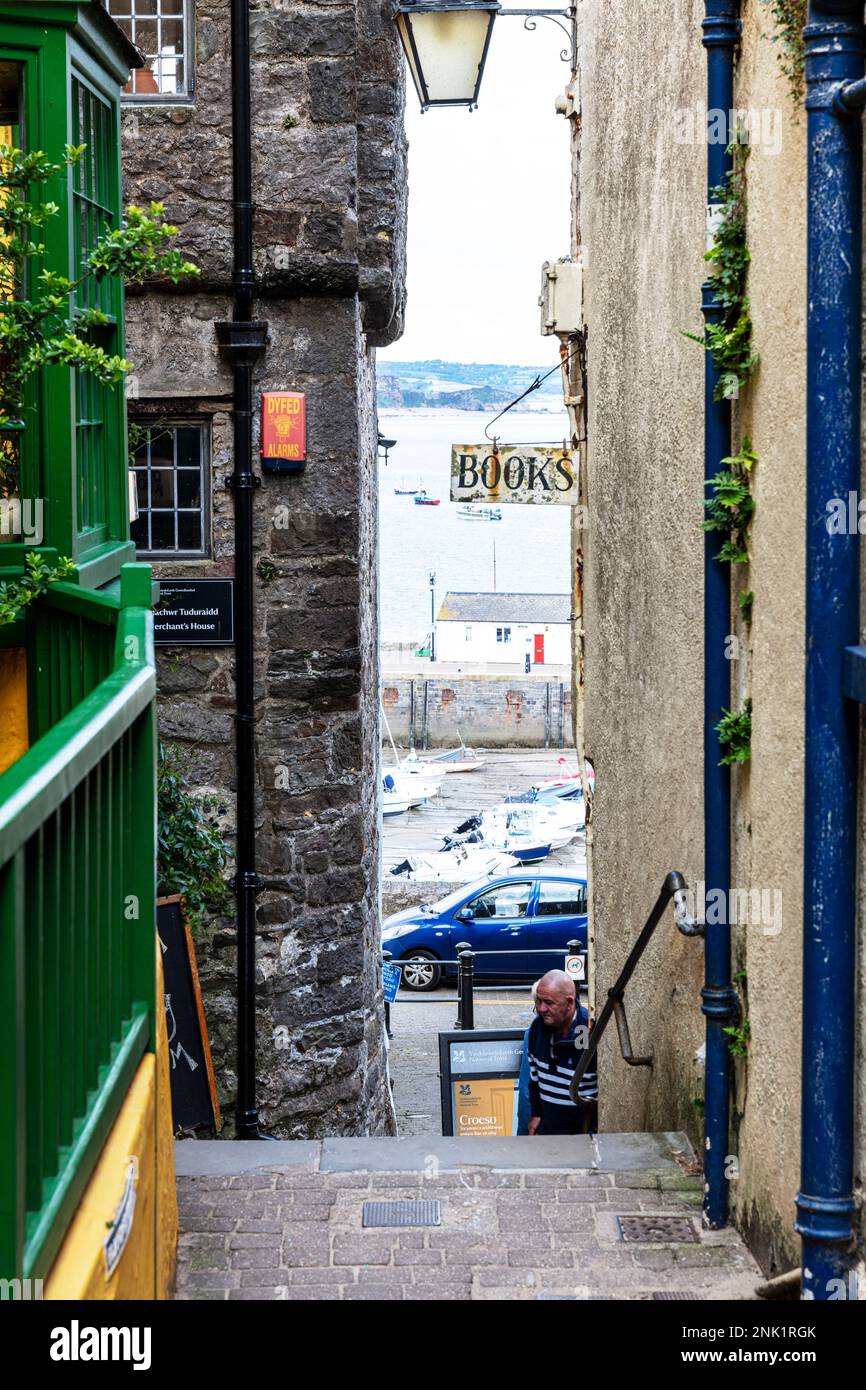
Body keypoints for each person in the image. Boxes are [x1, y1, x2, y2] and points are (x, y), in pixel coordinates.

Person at [527, 969, 598, 1136]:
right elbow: (534, 1079)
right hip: (550, 1129)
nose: (541, 1009)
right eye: (538, 1001)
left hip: (584, 1133)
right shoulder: (537, 1028)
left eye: (549, 1003)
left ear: (569, 1003)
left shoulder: (590, 1030)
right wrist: (537, 1114)